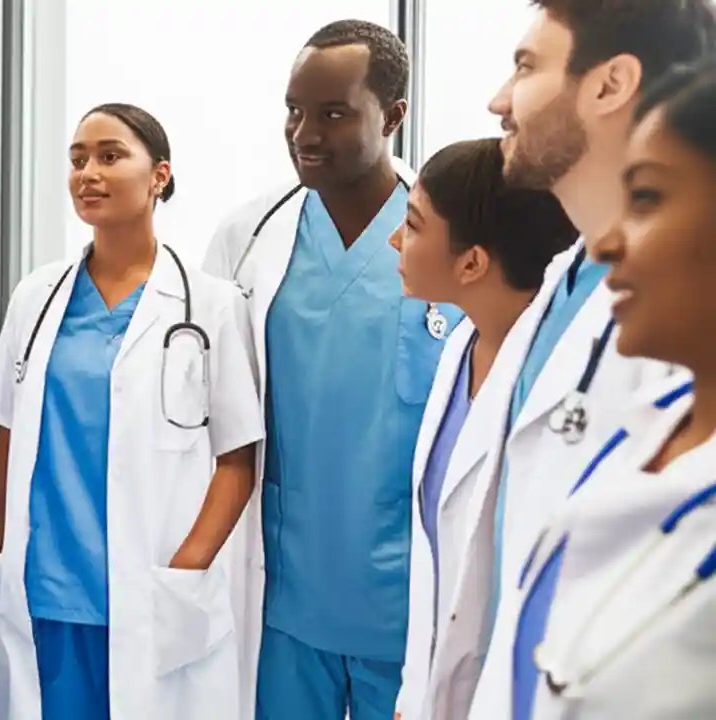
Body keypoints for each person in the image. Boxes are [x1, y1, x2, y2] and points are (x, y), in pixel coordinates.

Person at [204, 20, 461, 720]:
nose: (304, 133)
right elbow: (213, 410)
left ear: (394, 116)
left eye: (333, 114)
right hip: (287, 601)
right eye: (294, 110)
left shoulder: (457, 240)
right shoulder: (248, 237)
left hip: (406, 604)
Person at [0, 103, 263, 720]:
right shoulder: (37, 296)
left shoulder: (210, 304)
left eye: (110, 156)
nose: (88, 173)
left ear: (159, 175)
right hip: (48, 590)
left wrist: (186, 570)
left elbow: (238, 456)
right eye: (77, 159)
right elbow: (7, 429)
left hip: (157, 592)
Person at [471, 2, 716, 714]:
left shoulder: (667, 326)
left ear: (610, 84)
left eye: (525, 67)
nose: (497, 100)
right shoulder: (564, 284)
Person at [388, 139, 577, 720]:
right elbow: (439, 561)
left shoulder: (551, 388)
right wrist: (414, 693)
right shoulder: (461, 347)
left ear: (471, 263)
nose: (394, 239)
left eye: (413, 225)